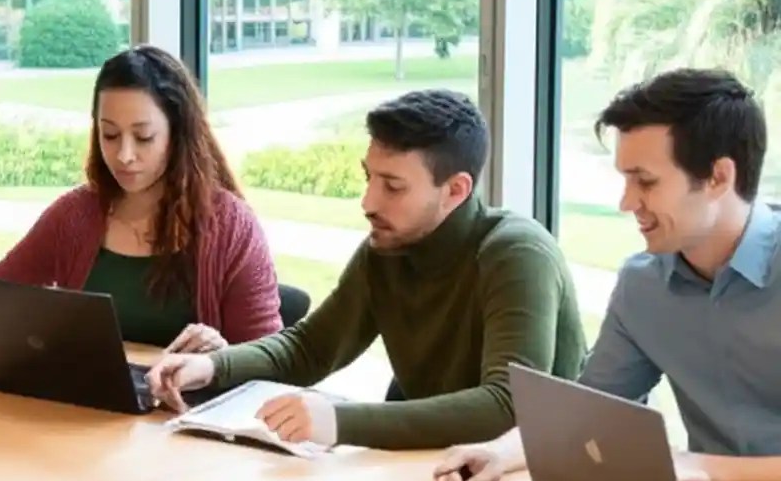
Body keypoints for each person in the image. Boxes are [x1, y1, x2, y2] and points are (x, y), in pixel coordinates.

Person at [147, 89, 587, 450]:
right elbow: (309, 350)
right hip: (435, 473)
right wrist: (210, 367)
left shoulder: (517, 254)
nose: (369, 203)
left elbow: (507, 404)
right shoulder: (388, 248)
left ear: (455, 190)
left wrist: (338, 421)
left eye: (393, 186)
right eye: (369, 178)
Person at [434, 69, 781, 481]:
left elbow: (695, 469)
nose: (626, 202)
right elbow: (588, 412)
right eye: (625, 179)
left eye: (647, 182)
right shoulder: (644, 285)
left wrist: (697, 467)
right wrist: (498, 453)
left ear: (718, 178)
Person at [0, 45, 282, 352]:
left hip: (190, 401)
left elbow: (272, 363)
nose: (124, 156)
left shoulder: (234, 227)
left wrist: (223, 359)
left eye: (144, 138)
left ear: (177, 133)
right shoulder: (73, 215)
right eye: (110, 135)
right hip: (85, 399)